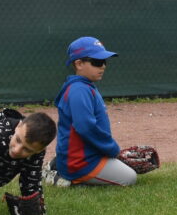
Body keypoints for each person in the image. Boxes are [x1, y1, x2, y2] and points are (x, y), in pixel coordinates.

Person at [53, 37, 138, 187]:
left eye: (104, 61)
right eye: (97, 62)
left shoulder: (84, 86)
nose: (103, 66)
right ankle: (66, 177)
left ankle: (57, 165)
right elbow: (85, 127)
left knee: (126, 168)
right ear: (79, 64)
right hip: (80, 163)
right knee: (129, 178)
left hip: (89, 155)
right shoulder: (79, 90)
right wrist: (112, 149)